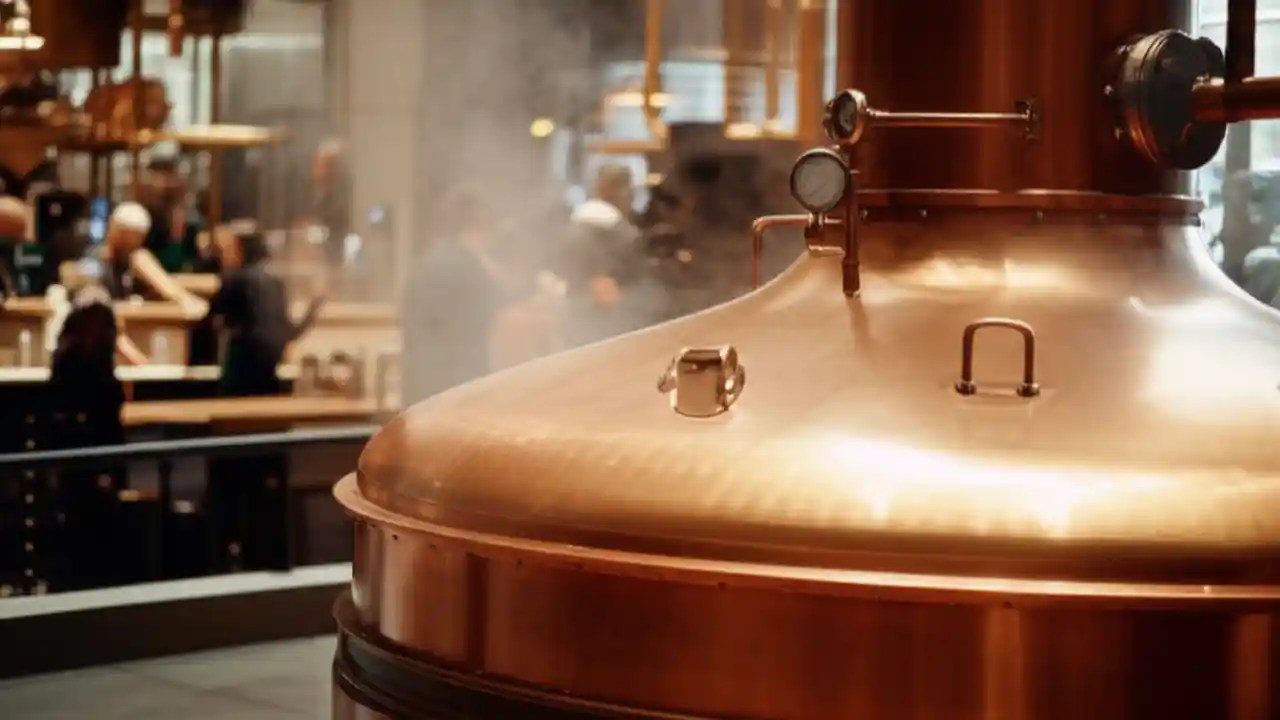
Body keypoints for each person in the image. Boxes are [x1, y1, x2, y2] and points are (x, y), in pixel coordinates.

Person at [402, 188, 510, 405]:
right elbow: (487, 327)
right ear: (477, 224)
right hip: (458, 389)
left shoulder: (426, 263)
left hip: (420, 387)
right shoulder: (471, 270)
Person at [204, 230, 325, 396]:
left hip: (243, 365)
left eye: (230, 249)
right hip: (271, 364)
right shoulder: (277, 283)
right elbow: (289, 331)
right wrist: (313, 309)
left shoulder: (236, 279)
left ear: (241, 251)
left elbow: (211, 313)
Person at [98, 201, 207, 316]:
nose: (130, 243)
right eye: (125, 237)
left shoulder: (138, 259)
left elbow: (165, 288)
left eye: (136, 238)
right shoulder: (100, 261)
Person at [141, 156, 204, 273]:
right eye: (158, 175)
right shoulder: (146, 219)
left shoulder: (192, 222)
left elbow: (194, 259)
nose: (163, 183)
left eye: (169, 174)